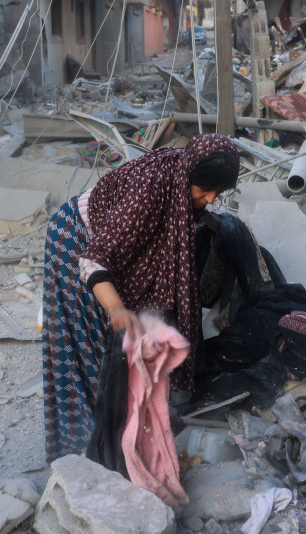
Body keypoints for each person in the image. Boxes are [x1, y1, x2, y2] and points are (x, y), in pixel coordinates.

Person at [42, 134, 241, 462]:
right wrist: (118, 310)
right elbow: (93, 260)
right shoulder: (149, 191)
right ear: (188, 177)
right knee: (89, 353)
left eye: (217, 193)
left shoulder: (184, 171)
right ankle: (86, 456)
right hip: (74, 241)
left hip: (104, 245)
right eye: (205, 190)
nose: (210, 199)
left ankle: (124, 441)